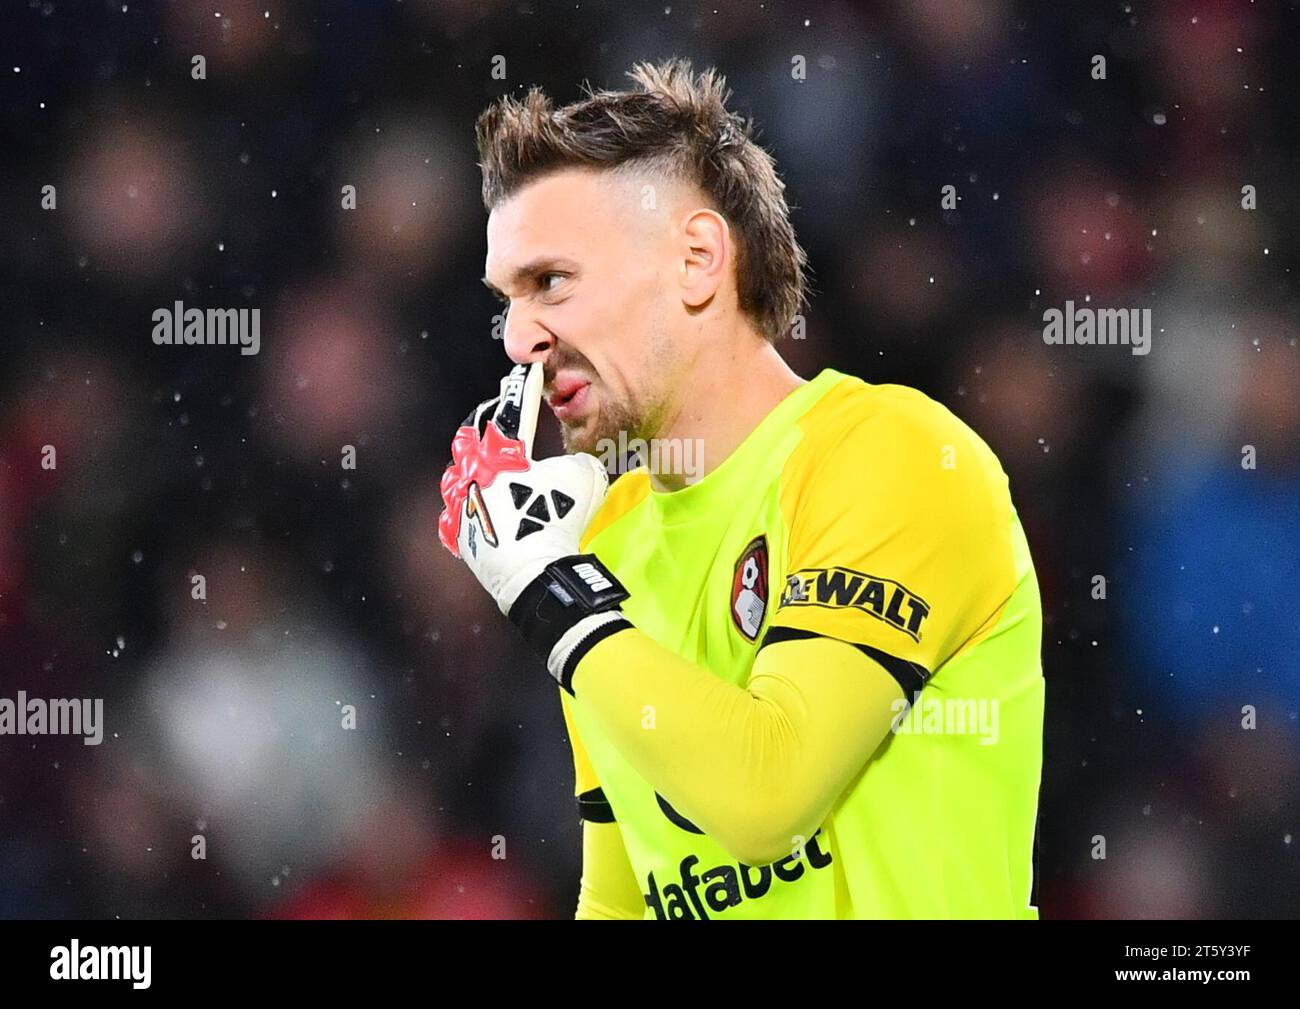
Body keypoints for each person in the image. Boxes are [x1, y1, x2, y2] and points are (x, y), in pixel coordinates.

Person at [438, 59, 1044, 919]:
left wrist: (554, 601)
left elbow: (770, 796)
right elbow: (622, 899)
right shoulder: (602, 546)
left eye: (551, 282)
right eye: (508, 299)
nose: (518, 338)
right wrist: (567, 594)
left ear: (696, 260)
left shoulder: (895, 456)